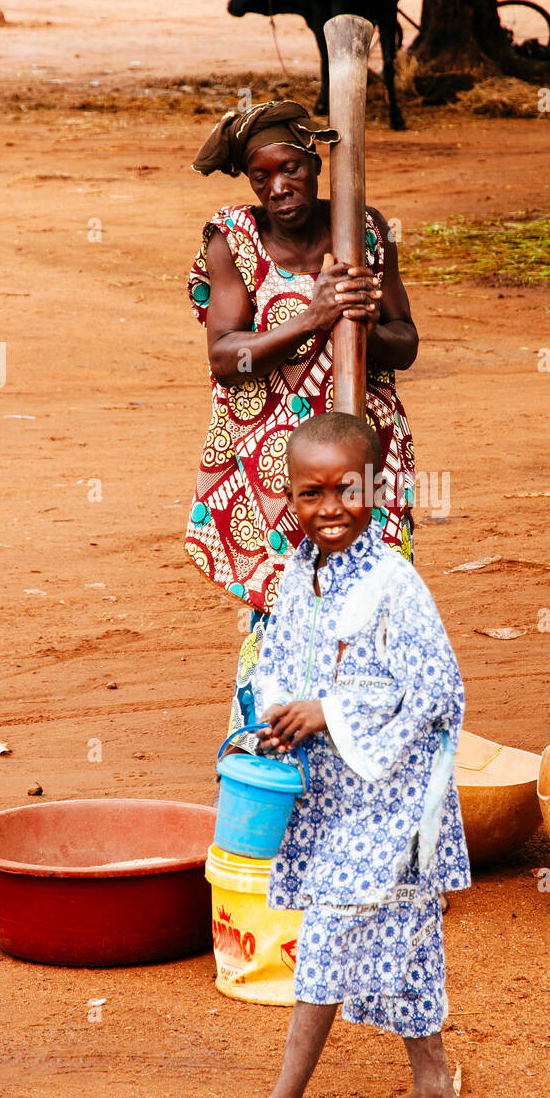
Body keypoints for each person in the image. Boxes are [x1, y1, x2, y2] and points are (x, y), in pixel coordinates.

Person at [236, 411, 471, 1098]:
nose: (329, 509)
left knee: (330, 933)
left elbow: (438, 691)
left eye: (345, 490)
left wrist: (331, 712)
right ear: (289, 498)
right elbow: (275, 666)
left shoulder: (394, 582)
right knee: (407, 935)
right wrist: (269, 725)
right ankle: (432, 1088)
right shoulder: (293, 577)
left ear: (375, 486)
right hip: (328, 797)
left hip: (387, 799)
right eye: (310, 494)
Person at [184, 100, 418, 743]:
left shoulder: (363, 232)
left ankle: (367, 747)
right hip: (274, 469)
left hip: (365, 450)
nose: (278, 188)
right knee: (287, 606)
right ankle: (266, 750)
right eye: (261, 178)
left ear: (315, 165)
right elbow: (225, 356)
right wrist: (309, 321)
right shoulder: (234, 240)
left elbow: (407, 341)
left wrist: (366, 321)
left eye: (289, 170)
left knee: (369, 597)